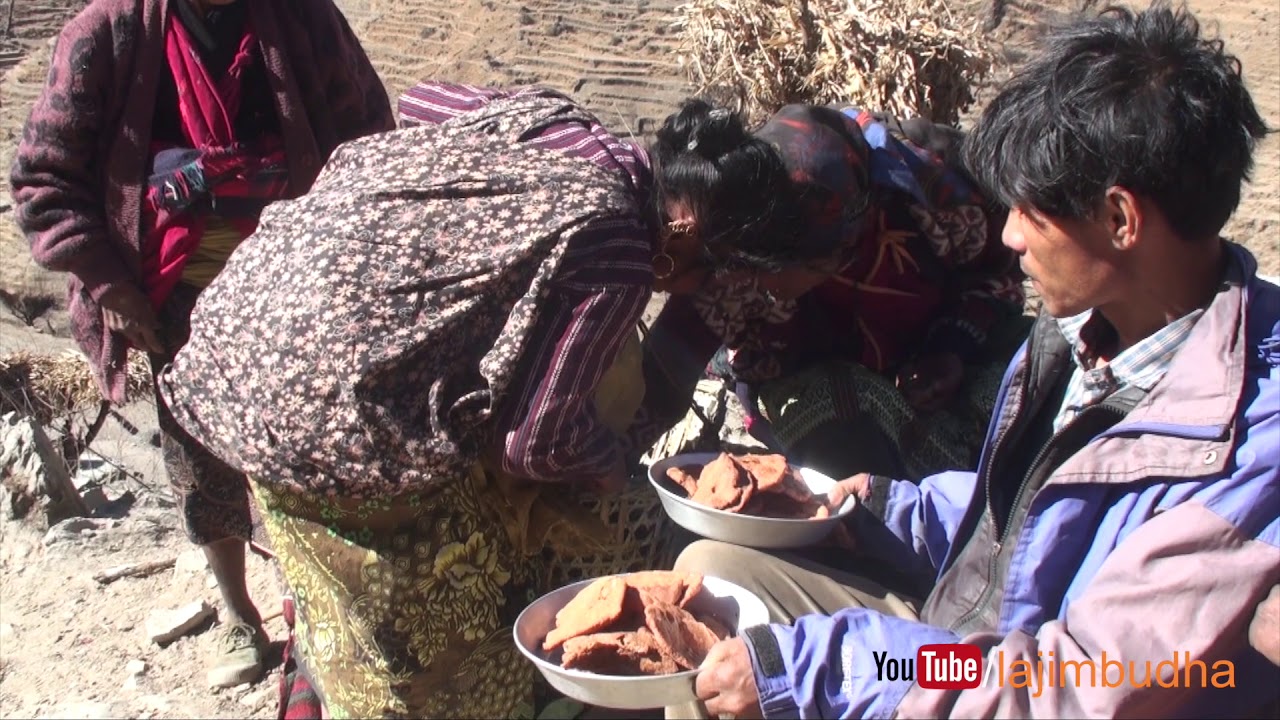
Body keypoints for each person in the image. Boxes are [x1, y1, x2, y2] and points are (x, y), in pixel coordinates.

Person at [148, 79, 825, 718]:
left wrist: (421, 229)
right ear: (683, 240)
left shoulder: (557, 119)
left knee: (336, 612)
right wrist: (616, 462)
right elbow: (535, 443)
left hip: (247, 330)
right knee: (446, 663)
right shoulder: (617, 244)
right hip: (337, 415)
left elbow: (419, 101)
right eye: (715, 274)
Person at [677, 2, 1280, 717]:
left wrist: (824, 669)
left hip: (1028, 682)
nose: (1011, 237)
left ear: (1120, 220)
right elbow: (1028, 525)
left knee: (749, 676)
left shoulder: (1245, 452)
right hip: (969, 639)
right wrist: (884, 506)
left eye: (1032, 212)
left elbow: (1077, 686)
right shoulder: (1090, 332)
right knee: (711, 579)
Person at [10, 0, 393, 688]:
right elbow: (45, 178)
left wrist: (346, 250)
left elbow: (368, 129)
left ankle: (320, 618)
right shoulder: (106, 33)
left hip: (291, 288)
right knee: (199, 467)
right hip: (170, 299)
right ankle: (242, 618)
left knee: (306, 459)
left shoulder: (300, 18)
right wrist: (110, 285)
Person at [627, 96, 1028, 486]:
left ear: (838, 250)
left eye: (785, 269)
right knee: (838, 421)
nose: (764, 284)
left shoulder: (938, 196)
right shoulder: (741, 235)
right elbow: (667, 366)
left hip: (940, 368)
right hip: (832, 389)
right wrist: (612, 454)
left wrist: (952, 349)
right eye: (758, 267)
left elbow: (998, 276)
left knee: (1030, 375)